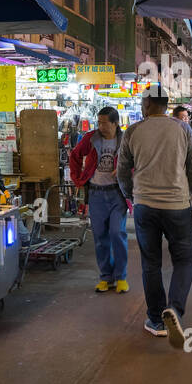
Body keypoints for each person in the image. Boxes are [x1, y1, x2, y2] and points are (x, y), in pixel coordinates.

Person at [117, 87, 192, 348]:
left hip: (145, 206)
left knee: (150, 263)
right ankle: (175, 311)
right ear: (166, 105)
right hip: (177, 206)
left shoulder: (133, 131)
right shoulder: (182, 129)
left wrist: (133, 198)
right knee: (183, 260)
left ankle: (156, 320)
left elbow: (122, 172)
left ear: (147, 104)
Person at [69, 106, 128, 293]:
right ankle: (106, 277)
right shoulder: (91, 138)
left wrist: (124, 170)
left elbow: (139, 161)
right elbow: (75, 155)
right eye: (99, 122)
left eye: (104, 122)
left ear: (115, 122)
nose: (100, 126)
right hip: (95, 194)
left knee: (117, 233)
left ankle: (121, 277)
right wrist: (77, 178)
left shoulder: (125, 140)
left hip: (117, 194)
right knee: (100, 237)